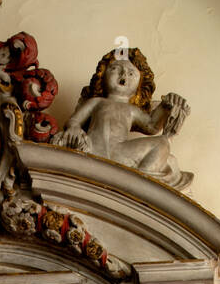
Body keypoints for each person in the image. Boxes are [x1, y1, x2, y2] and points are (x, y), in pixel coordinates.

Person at [53, 47, 192, 190]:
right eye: (115, 68)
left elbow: (152, 126)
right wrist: (74, 128)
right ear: (102, 75)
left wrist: (167, 106)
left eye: (131, 73)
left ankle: (141, 181)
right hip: (93, 147)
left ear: (140, 85)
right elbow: (74, 120)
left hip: (121, 153)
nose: (124, 73)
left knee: (162, 142)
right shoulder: (97, 102)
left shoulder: (132, 110)